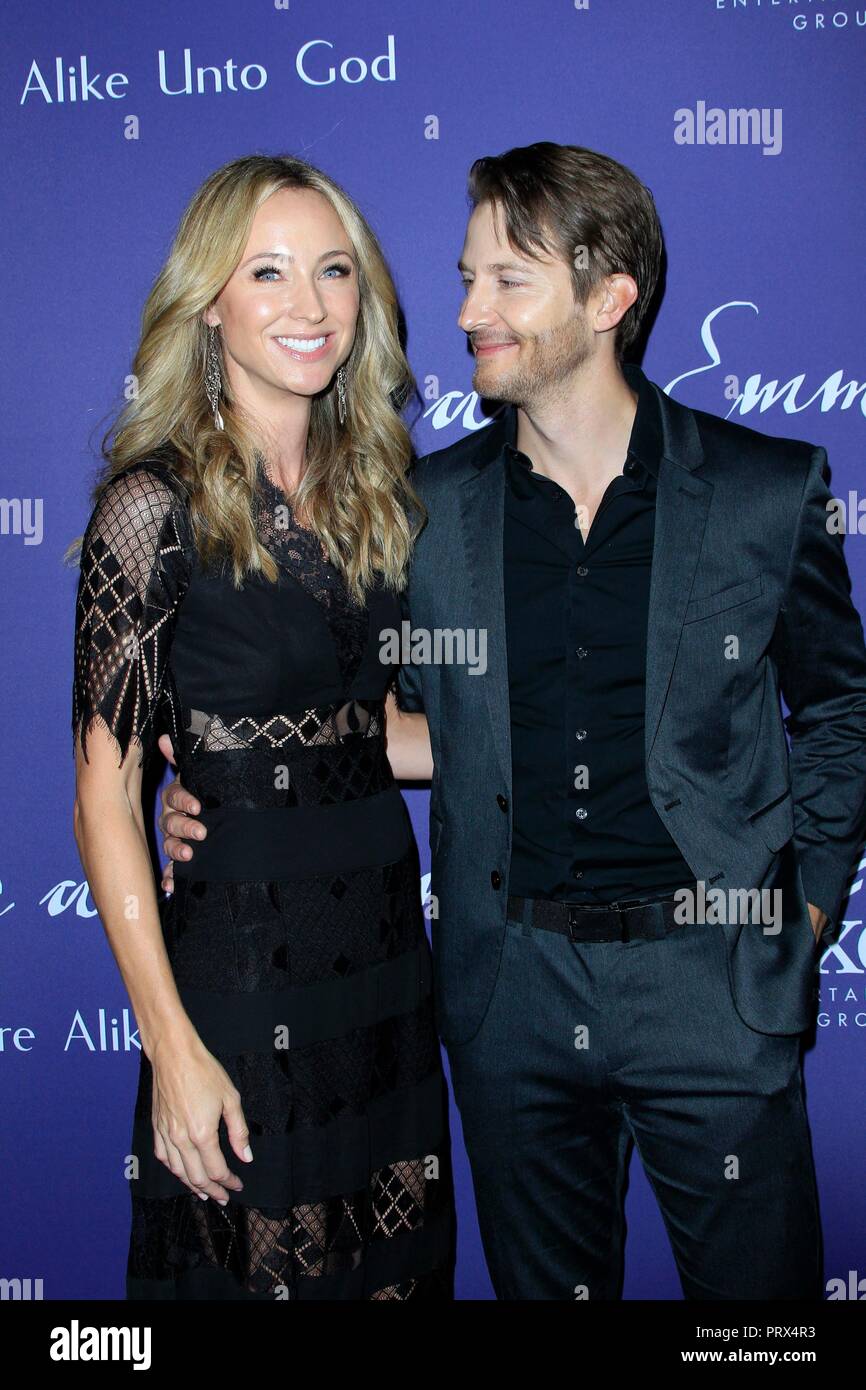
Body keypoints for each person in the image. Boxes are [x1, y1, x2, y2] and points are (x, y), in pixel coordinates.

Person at [157, 142, 866, 1301]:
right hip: (509, 1001)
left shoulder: (761, 491)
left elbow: (838, 707)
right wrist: (221, 784)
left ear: (607, 298)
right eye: (464, 277)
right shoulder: (424, 511)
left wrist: (808, 903)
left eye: (504, 280)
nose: (465, 310)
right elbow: (361, 715)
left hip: (714, 988)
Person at [70, 153, 455, 1301]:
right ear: (210, 303)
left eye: (333, 271)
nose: (308, 306)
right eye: (269, 272)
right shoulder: (153, 505)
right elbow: (106, 794)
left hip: (385, 969)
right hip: (243, 976)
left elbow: (376, 736)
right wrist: (172, 1049)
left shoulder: (377, 491)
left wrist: (571, 726)